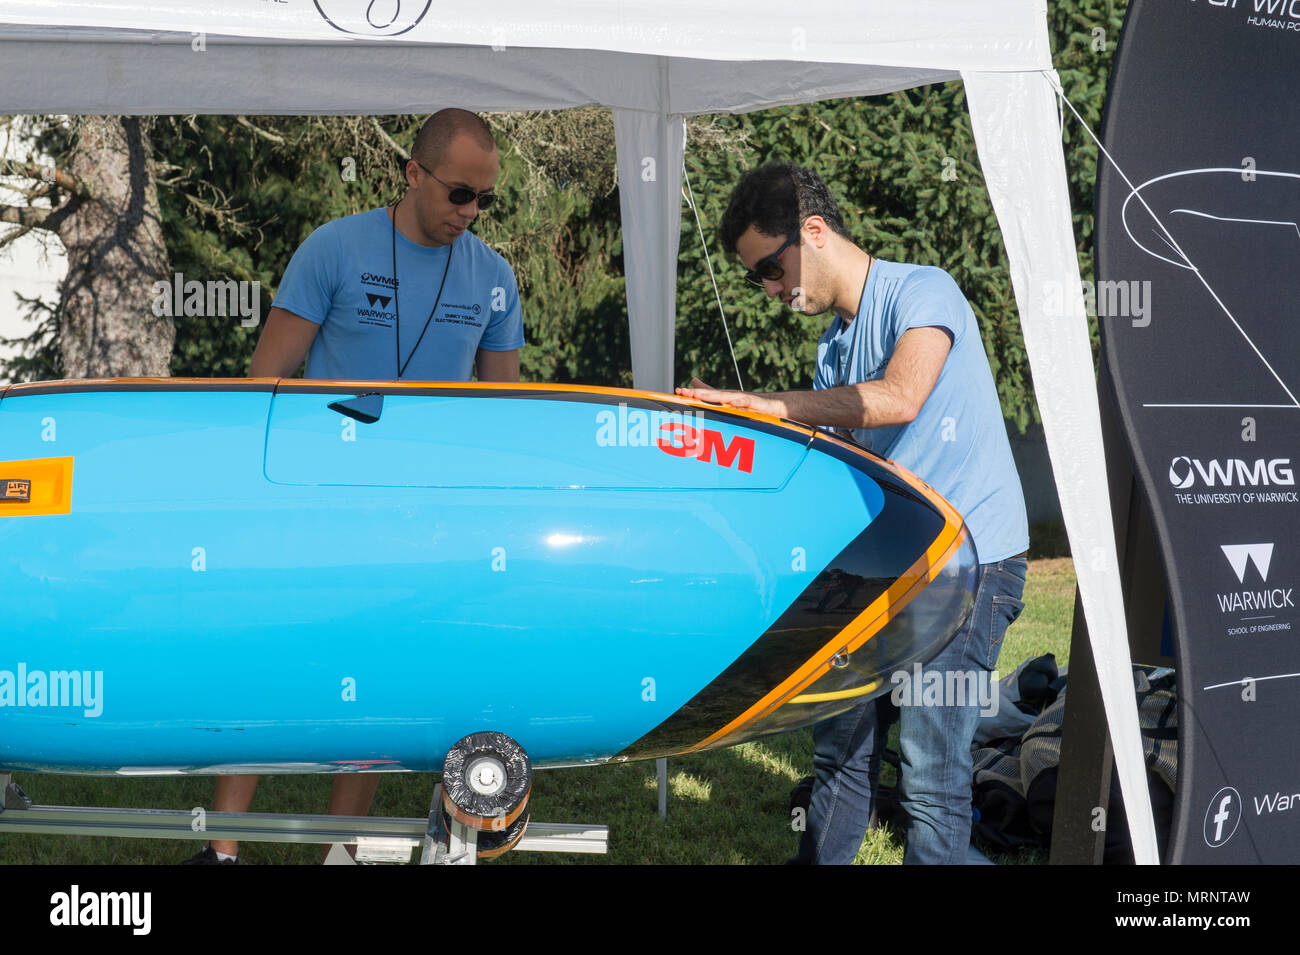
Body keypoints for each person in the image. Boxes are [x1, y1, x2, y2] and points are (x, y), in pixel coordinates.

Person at [186, 108, 524, 865]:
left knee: (376, 673)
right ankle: (224, 847)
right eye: (459, 193)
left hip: (422, 514)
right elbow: (265, 383)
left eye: (484, 200)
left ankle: (347, 848)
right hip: (317, 497)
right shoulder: (335, 248)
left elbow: (503, 419)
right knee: (275, 655)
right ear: (412, 173)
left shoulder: (494, 279)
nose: (469, 213)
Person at [677, 163, 1028, 864]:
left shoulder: (923, 290)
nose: (770, 290)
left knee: (931, 777)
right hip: (888, 567)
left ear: (813, 232)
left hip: (975, 562)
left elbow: (898, 396)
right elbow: (837, 473)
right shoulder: (832, 351)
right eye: (756, 279)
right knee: (838, 749)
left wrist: (769, 404)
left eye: (770, 269)